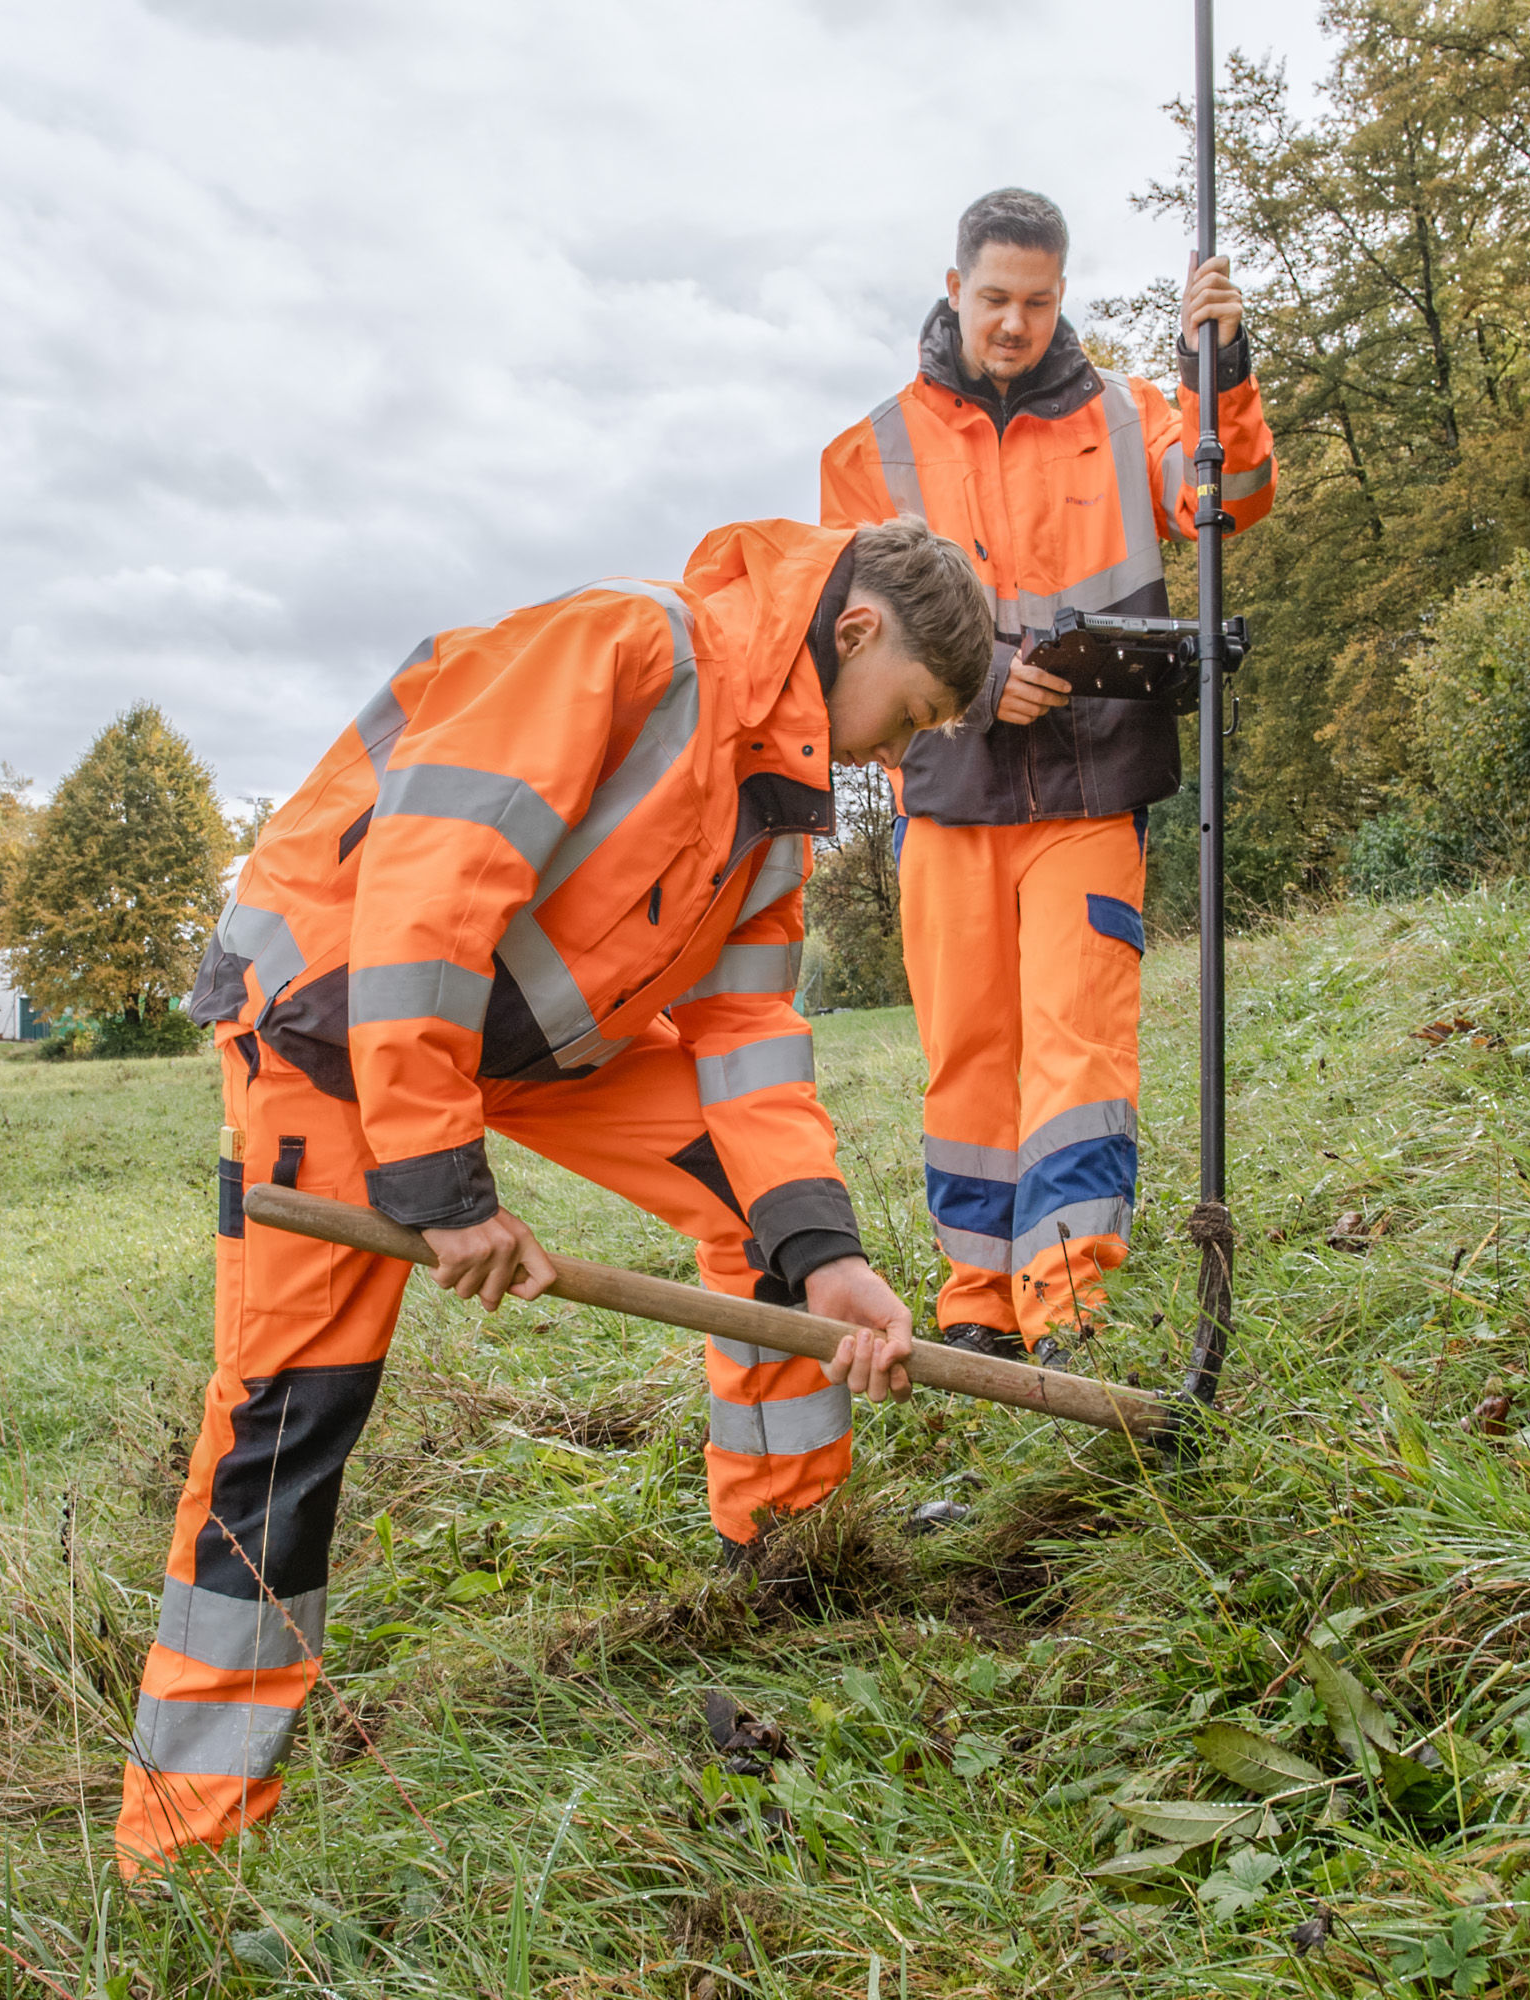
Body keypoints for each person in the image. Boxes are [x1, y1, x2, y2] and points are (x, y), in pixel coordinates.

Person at [118, 515, 994, 1868]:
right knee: (292, 1410)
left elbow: (747, 1054)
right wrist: (437, 1181)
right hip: (336, 1019)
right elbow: (425, 893)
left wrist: (825, 1255)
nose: (903, 751)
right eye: (915, 715)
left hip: (513, 1037)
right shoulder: (626, 647)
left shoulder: (777, 809)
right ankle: (183, 1836)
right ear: (861, 631)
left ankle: (790, 1554)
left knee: (759, 1221)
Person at [818, 187, 1274, 1366]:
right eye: (993, 300)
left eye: (1037, 300)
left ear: (1062, 293)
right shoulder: (870, 450)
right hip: (952, 796)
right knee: (967, 1052)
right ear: (954, 286)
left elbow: (1226, 495)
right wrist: (978, 685)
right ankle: (978, 1307)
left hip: (1091, 788)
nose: (1014, 323)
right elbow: (846, 629)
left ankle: (1066, 1305)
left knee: (1078, 1050)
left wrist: (1215, 366)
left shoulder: (1133, 413)